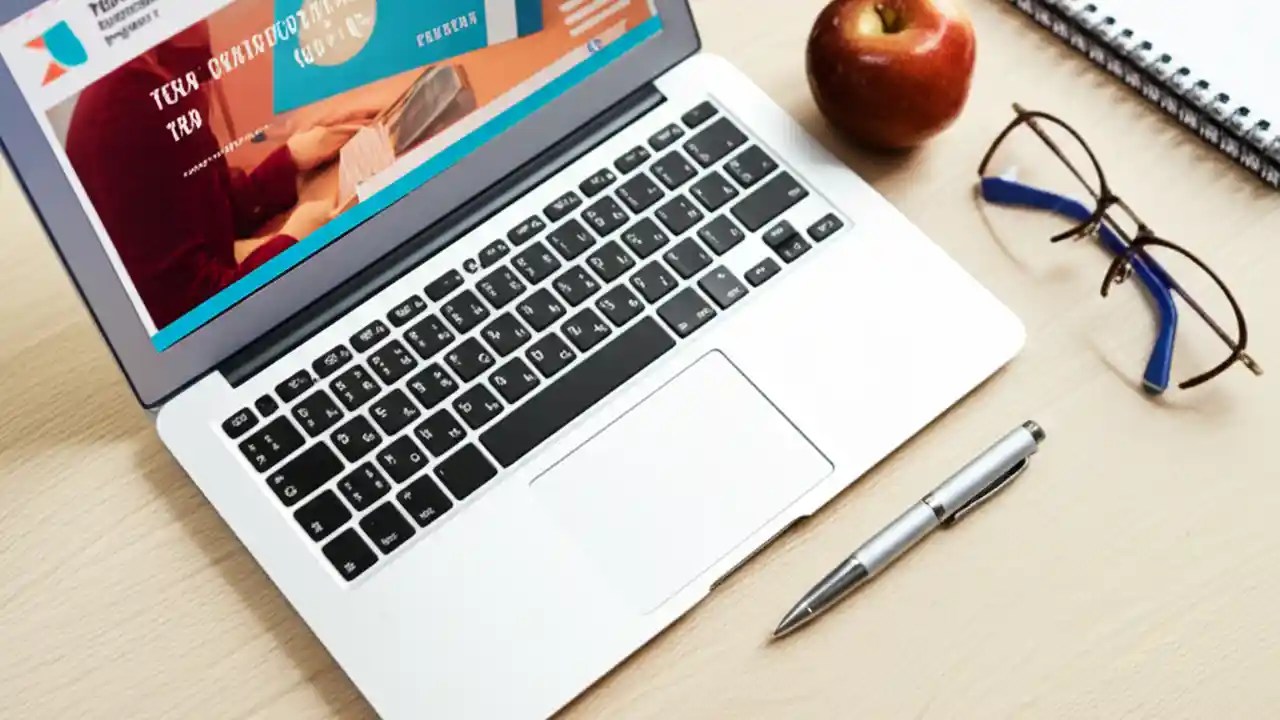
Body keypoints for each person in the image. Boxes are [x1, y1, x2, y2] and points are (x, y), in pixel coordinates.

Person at [64, 21, 361, 330]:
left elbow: (208, 215)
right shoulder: (123, 109)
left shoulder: (154, 71)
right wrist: (294, 239)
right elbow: (197, 308)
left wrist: (291, 159)